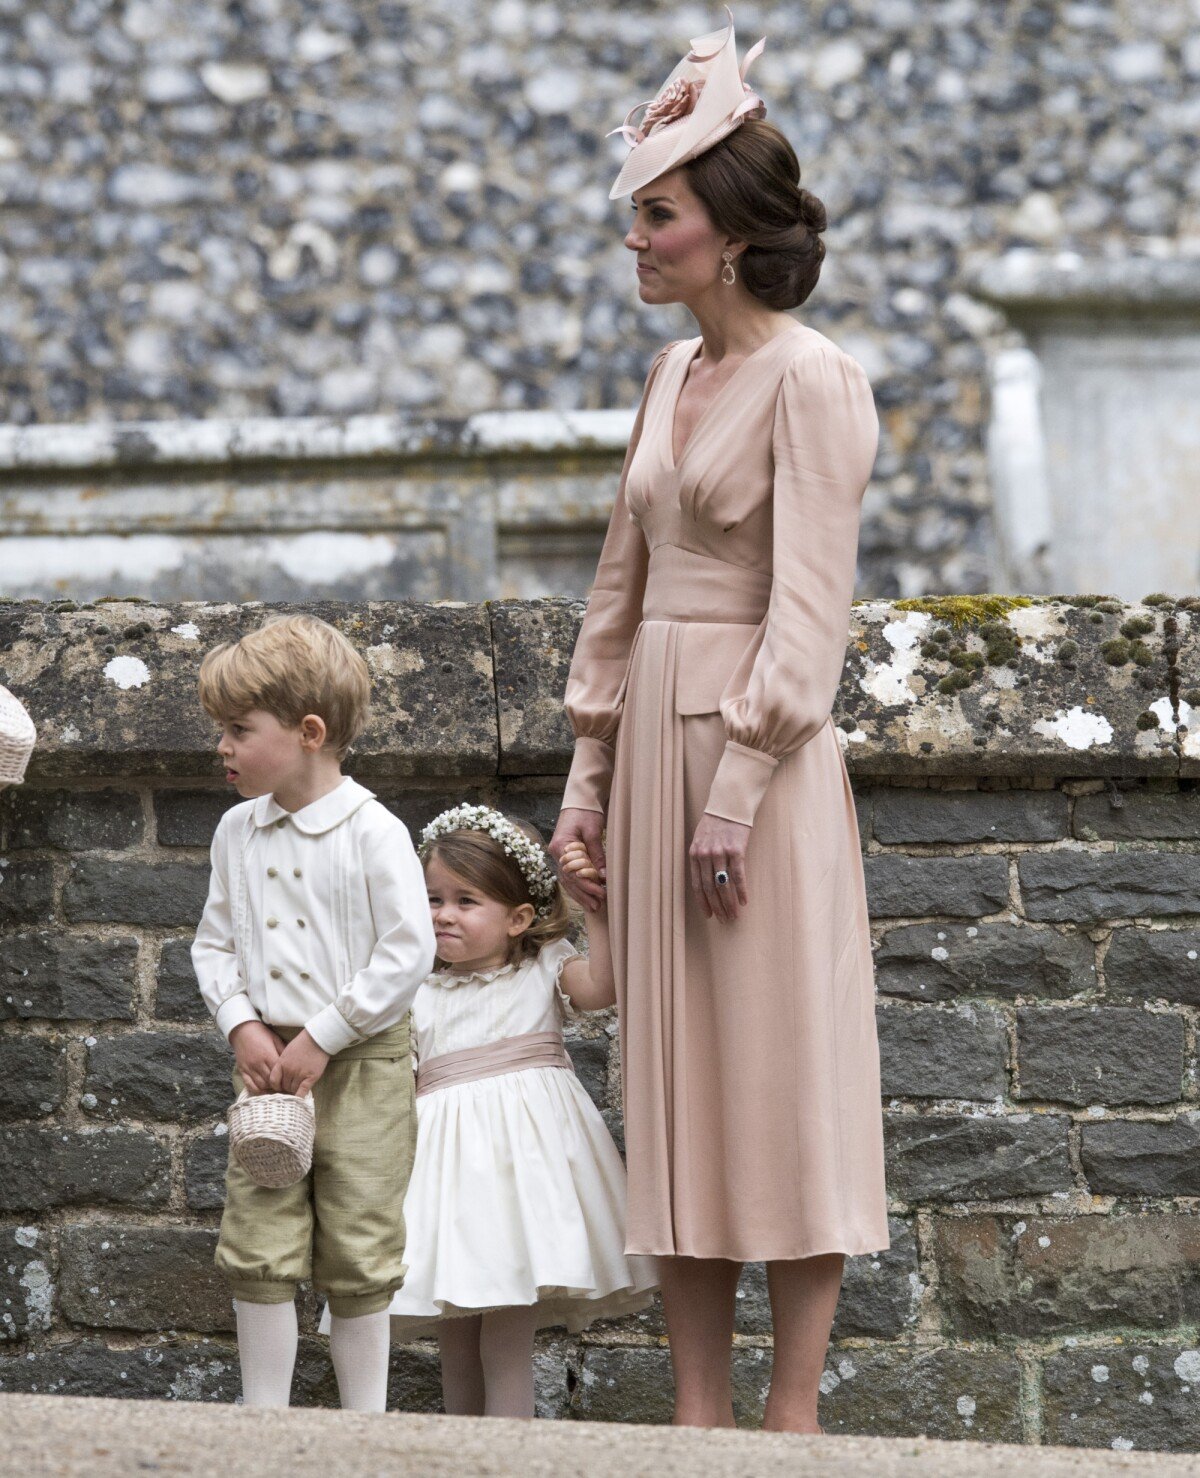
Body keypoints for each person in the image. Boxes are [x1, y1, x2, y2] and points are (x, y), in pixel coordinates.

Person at [548, 8, 890, 1434]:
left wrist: (737, 788)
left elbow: (810, 611)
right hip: (650, 759)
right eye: (637, 214)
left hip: (762, 771)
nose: (636, 239)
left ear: (733, 236)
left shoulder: (815, 378)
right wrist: (587, 775)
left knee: (784, 1070)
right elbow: (616, 594)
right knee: (675, 1082)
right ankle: (697, 1416)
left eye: (660, 215)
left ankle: (791, 1412)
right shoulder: (667, 377)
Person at [317, 804, 655, 1418]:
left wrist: (597, 912)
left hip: (525, 1176)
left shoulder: (544, 969)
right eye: (432, 899)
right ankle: (463, 1448)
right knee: (456, 1334)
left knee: (505, 1334)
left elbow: (603, 988)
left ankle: (507, 1452)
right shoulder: (412, 989)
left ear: (518, 918)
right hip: (447, 1178)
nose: (443, 914)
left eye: (465, 901)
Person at [191, 613, 436, 1412]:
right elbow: (213, 944)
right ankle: (263, 1418)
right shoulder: (236, 831)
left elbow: (407, 951)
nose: (222, 747)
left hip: (361, 1063)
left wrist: (326, 1036)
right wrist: (242, 1024)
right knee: (258, 1238)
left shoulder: (373, 832)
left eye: (238, 730)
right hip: (266, 1067)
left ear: (308, 732)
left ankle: (363, 1426)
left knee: (361, 1240)